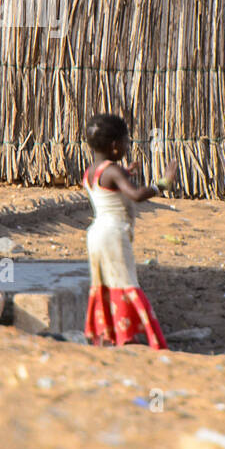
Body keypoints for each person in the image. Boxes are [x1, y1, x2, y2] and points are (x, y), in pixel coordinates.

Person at [81, 114, 178, 350]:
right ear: (115, 146)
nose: (127, 146)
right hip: (113, 234)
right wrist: (162, 184)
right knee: (125, 283)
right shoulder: (113, 171)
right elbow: (135, 195)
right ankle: (128, 337)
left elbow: (110, 184)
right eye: (126, 142)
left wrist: (124, 173)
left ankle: (107, 334)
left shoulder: (93, 170)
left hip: (95, 234)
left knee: (104, 284)